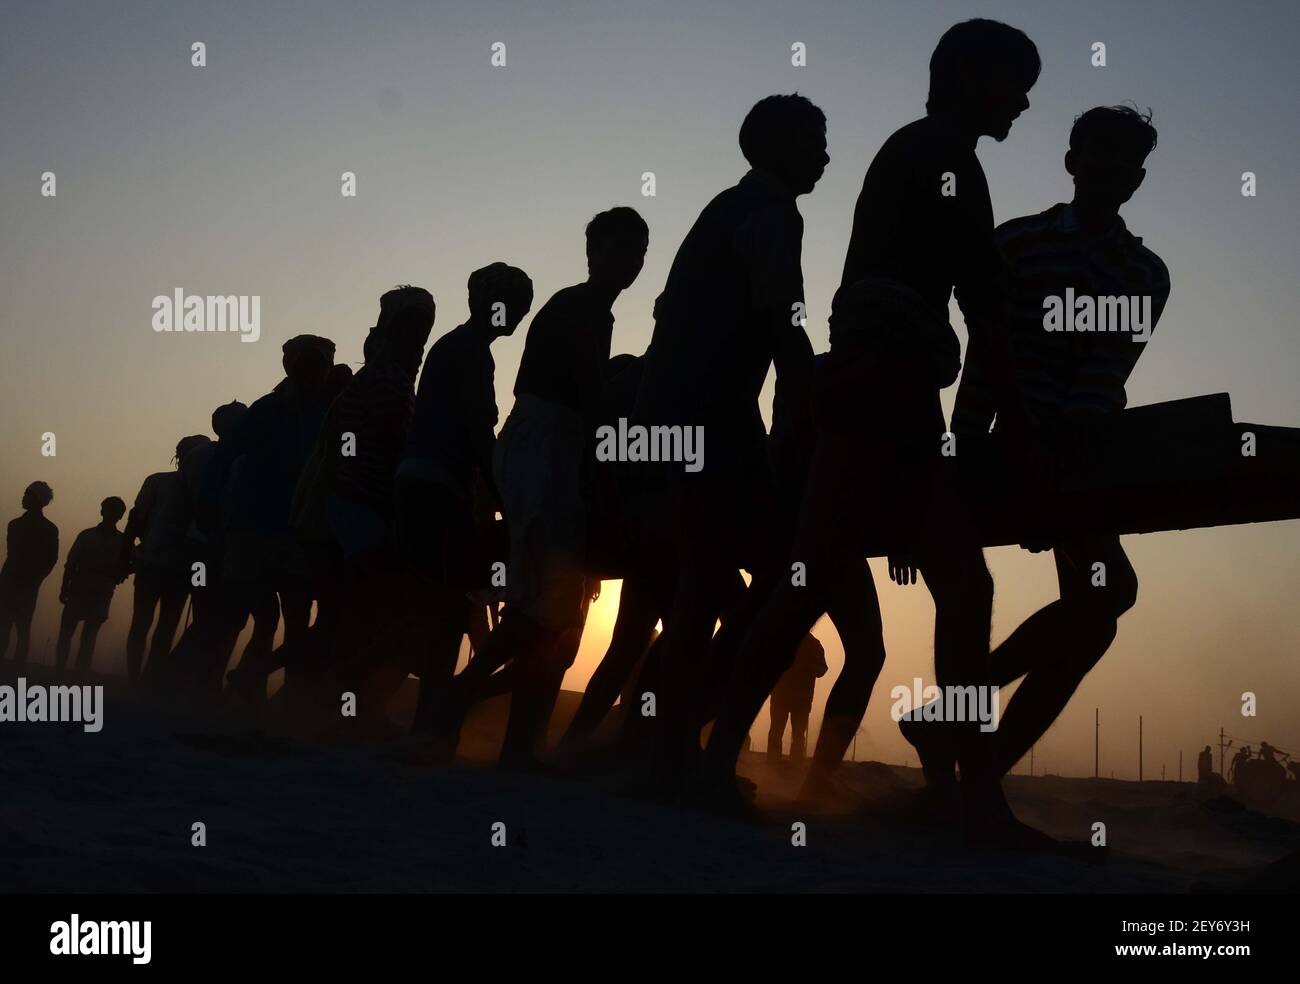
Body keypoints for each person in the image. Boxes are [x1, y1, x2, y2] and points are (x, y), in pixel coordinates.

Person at [696, 21, 1042, 841]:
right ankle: (975, 799)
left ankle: (709, 768)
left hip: (860, 385)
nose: (1023, 101)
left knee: (809, 579)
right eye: (1012, 83)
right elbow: (985, 306)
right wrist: (1012, 429)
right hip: (889, 388)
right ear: (965, 78)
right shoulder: (947, 159)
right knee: (963, 583)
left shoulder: (911, 153)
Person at [906, 106, 1169, 784]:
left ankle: (962, 736)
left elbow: (1106, 371)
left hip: (1085, 453)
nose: (1109, 168)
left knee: (1102, 606)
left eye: (1123, 160)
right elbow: (989, 359)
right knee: (1105, 604)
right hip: (1010, 446)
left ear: (1137, 180)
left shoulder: (1145, 272)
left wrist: (1062, 458)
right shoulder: (1016, 243)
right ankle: (970, 750)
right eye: (1097, 152)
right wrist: (964, 450)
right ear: (1072, 161)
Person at [629, 93, 827, 785]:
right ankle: (683, 744)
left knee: (704, 578)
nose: (826, 154)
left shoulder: (721, 209)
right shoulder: (773, 215)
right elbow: (785, 323)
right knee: (790, 571)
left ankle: (665, 741)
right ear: (775, 146)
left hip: (669, 414)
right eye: (813, 140)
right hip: (712, 415)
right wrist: (809, 421)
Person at [432, 207, 650, 770]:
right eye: (623, 249)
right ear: (594, 251)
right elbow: (588, 400)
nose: (632, 262)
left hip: (550, 448)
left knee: (550, 607)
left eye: (639, 252)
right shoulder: (579, 309)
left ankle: (509, 742)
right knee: (544, 604)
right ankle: (467, 697)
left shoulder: (588, 311)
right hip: (545, 448)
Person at [396, 264, 533, 731]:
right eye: (514, 305)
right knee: (448, 608)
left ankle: (427, 718)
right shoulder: (470, 352)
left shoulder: (460, 347)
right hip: (435, 489)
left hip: (431, 486)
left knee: (442, 606)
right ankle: (430, 720)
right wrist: (506, 493)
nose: (516, 316)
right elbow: (478, 432)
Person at [211, 334, 335, 703]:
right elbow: (225, 458)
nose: (311, 371)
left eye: (318, 364)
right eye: (305, 363)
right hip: (253, 528)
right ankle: (232, 691)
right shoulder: (266, 410)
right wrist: (215, 514)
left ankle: (286, 697)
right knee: (255, 616)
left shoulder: (330, 412)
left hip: (298, 531)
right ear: (291, 366)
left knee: (296, 618)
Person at [118, 438, 210, 682]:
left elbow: (136, 521)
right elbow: (136, 520)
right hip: (162, 564)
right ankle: (140, 678)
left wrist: (125, 554)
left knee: (152, 624)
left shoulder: (167, 483)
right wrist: (125, 554)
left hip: (170, 566)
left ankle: (144, 678)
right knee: (153, 625)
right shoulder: (163, 482)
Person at [55, 496, 127, 672]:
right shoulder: (93, 536)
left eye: (113, 511)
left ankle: (74, 674)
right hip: (83, 586)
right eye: (109, 510)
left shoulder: (120, 541)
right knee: (71, 633)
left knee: (86, 636)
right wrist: (65, 585)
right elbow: (71, 563)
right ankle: (62, 672)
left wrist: (119, 574)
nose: (110, 514)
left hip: (98, 589)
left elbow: (131, 563)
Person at [0, 481, 59, 664]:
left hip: (23, 583)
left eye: (28, 494)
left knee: (21, 627)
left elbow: (50, 560)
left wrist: (34, 579)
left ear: (38, 500)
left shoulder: (46, 529)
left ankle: (16, 669)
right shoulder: (17, 525)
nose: (23, 497)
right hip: (12, 581)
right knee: (7, 626)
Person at [766, 632, 827, 763]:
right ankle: (774, 761)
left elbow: (822, 669)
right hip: (784, 696)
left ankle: (794, 763)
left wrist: (806, 666)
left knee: (797, 734)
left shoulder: (814, 645)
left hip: (800, 699)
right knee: (777, 730)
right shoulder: (783, 640)